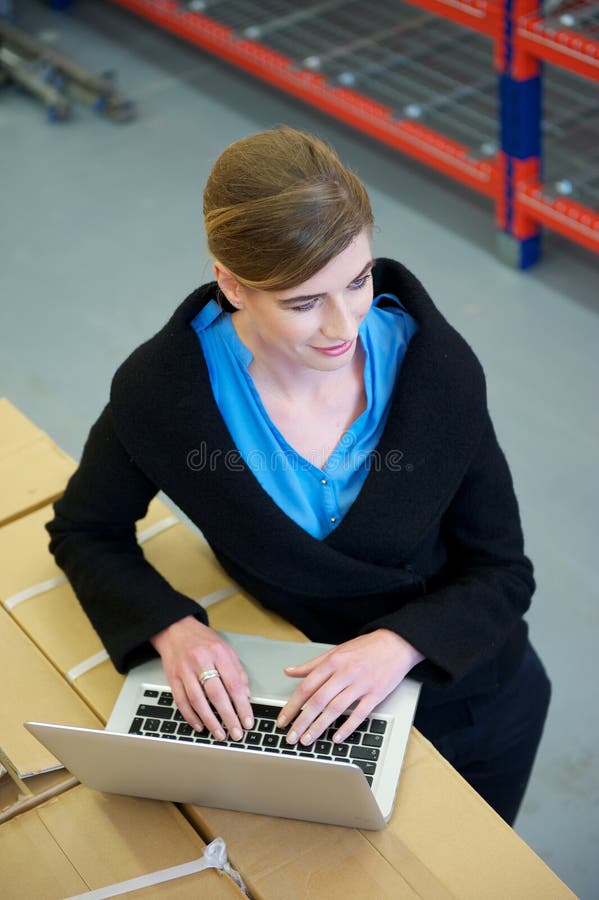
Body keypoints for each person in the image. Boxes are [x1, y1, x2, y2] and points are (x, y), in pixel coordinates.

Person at [47, 126, 550, 826]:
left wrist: (396, 645)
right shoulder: (166, 395)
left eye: (358, 279)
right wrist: (171, 629)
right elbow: (84, 530)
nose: (343, 325)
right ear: (230, 283)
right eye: (302, 301)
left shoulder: (434, 371)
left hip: (464, 694)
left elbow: (501, 572)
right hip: (289, 706)